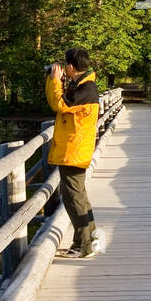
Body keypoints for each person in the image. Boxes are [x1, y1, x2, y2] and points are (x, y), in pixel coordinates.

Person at [46, 48, 104, 259]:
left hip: (74, 149)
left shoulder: (86, 89)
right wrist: (58, 82)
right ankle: (89, 240)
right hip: (75, 148)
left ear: (70, 67)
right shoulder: (83, 86)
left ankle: (84, 246)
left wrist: (54, 80)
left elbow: (59, 104)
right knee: (78, 195)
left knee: (73, 197)